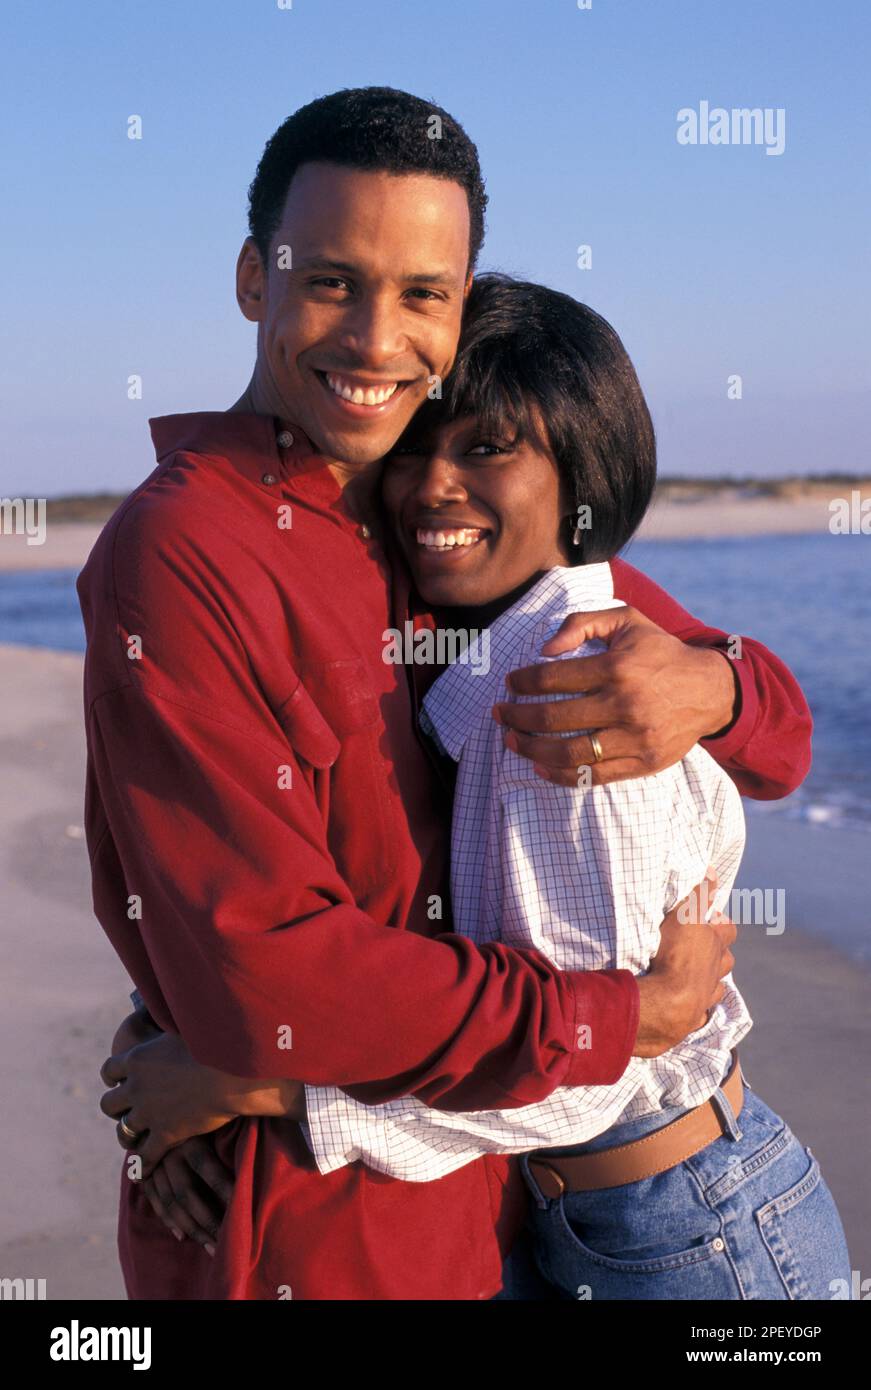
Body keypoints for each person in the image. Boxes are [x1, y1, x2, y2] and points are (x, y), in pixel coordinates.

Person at [86, 89, 811, 1301]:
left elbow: (772, 735)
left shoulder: (427, 516)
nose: (377, 340)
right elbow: (265, 963)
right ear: (251, 279)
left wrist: (715, 684)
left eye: (422, 294)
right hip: (319, 1244)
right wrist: (616, 1014)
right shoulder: (185, 551)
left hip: (520, 1222)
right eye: (328, 280)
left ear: (458, 305)